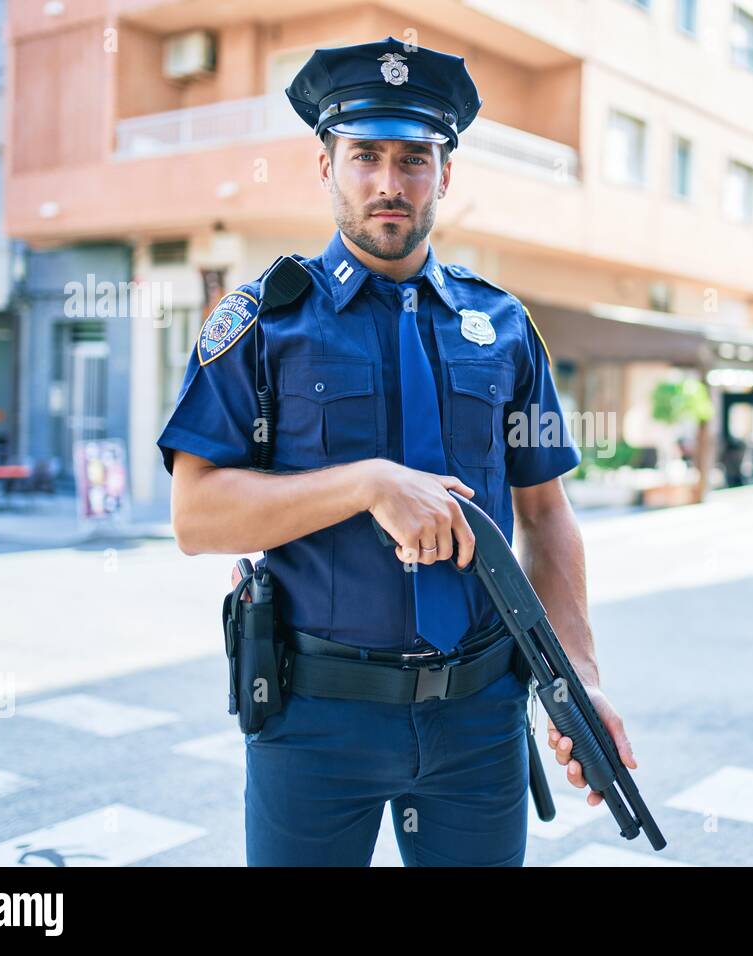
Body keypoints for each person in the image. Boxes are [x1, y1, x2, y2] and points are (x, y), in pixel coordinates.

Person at [157, 37, 637, 866]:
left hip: (480, 716)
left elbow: (547, 513)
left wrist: (580, 677)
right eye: (365, 156)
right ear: (325, 166)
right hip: (315, 720)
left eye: (414, 159)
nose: (389, 182)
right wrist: (369, 483)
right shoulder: (263, 323)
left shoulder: (506, 327)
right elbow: (197, 516)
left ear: (445, 174)